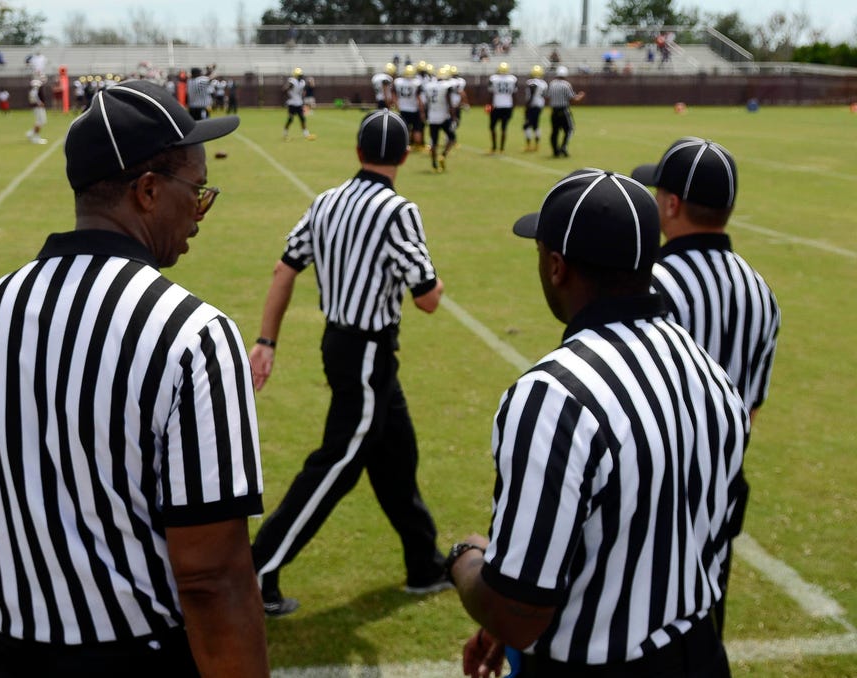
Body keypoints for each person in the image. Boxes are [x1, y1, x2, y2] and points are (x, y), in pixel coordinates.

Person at [0, 79, 268, 677]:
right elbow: (211, 575)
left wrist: (43, 612)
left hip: (10, 658)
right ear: (148, 192)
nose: (201, 212)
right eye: (198, 192)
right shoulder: (193, 333)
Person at [449, 167, 748, 678]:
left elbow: (520, 612)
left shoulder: (555, 395)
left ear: (557, 266)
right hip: (699, 653)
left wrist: (464, 559)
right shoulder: (707, 370)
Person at [248, 109, 449, 616]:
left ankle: (424, 563)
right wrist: (433, 281)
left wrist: (265, 340)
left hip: (345, 345)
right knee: (336, 464)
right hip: (366, 351)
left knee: (396, 455)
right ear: (405, 155)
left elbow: (284, 268)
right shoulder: (398, 211)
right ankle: (256, 570)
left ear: (358, 151)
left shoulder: (326, 203)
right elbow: (427, 297)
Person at [632, 137, 780, 633]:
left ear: (672, 204)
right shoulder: (762, 291)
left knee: (641, 629)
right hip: (721, 488)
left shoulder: (649, 282)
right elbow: (750, 409)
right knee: (703, 623)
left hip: (650, 495)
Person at [422, 67, 456, 172]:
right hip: (444, 116)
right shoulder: (446, 86)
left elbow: (426, 102)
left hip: (432, 117)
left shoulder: (429, 86)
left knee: (434, 142)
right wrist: (453, 117)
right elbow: (449, 103)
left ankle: (434, 164)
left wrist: (426, 115)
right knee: (452, 138)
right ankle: (443, 155)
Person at [546, 66, 584, 157]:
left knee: (555, 131)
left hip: (554, 110)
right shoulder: (566, 85)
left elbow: (547, 96)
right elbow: (573, 98)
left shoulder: (552, 84)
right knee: (570, 129)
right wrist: (581, 95)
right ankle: (563, 147)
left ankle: (555, 151)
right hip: (563, 110)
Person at [487, 62, 516, 154]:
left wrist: (488, 105)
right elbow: (514, 93)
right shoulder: (513, 79)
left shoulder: (493, 78)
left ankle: (494, 147)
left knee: (492, 127)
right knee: (504, 128)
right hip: (508, 106)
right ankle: (502, 148)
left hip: (496, 106)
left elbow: (490, 92)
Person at [392, 63, 423, 150]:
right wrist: (422, 110)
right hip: (414, 109)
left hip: (402, 109)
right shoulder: (416, 82)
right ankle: (417, 146)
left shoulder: (398, 81)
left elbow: (393, 95)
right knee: (416, 129)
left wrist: (397, 105)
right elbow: (419, 98)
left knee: (404, 128)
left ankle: (405, 145)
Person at [282, 67, 314, 140]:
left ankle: (306, 134)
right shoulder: (292, 82)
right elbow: (285, 89)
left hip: (299, 103)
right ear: (296, 75)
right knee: (290, 119)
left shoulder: (302, 82)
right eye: (299, 75)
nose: (301, 76)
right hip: (292, 103)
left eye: (301, 75)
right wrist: (288, 89)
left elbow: (303, 90)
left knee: (302, 118)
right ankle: (285, 132)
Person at [521, 65, 547, 152]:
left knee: (526, 126)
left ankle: (529, 145)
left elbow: (532, 95)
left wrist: (527, 105)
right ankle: (537, 145)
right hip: (540, 106)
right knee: (535, 125)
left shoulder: (531, 82)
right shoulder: (544, 83)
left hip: (532, 106)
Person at [25, 76, 47, 144]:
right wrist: (39, 103)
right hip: (38, 107)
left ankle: (30, 133)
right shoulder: (37, 85)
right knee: (39, 122)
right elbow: (34, 95)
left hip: (38, 107)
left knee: (42, 121)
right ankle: (36, 138)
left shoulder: (39, 86)